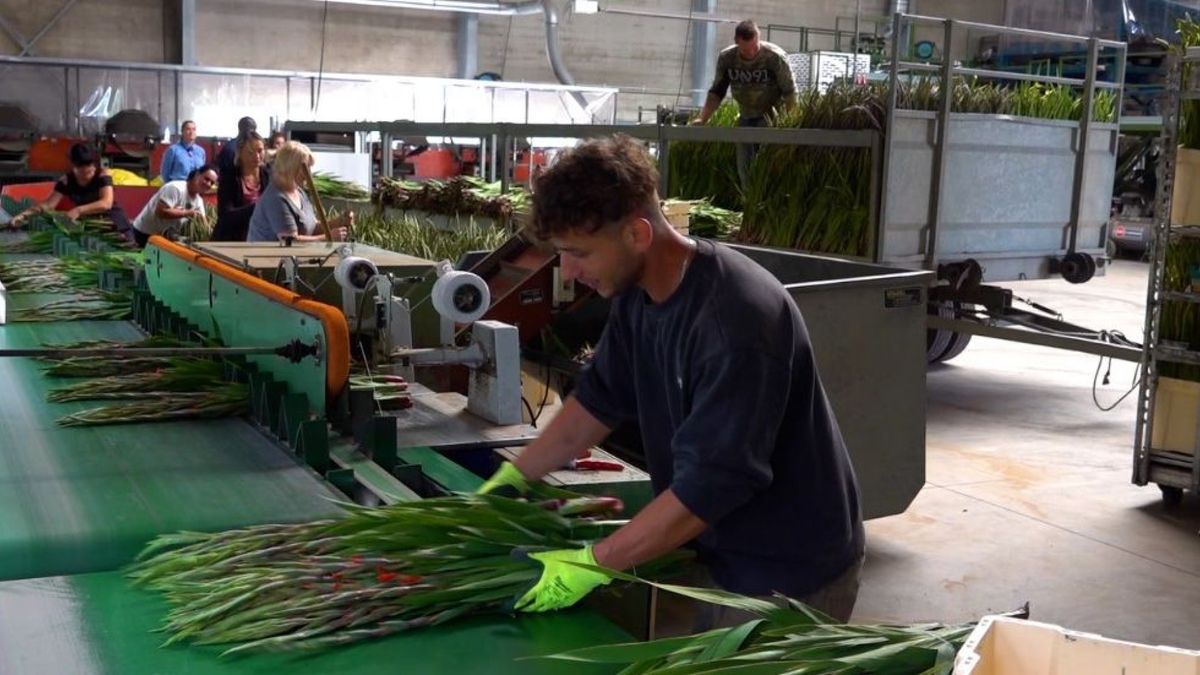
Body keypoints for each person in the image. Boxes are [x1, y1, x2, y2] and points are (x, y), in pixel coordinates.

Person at [477, 136, 864, 625]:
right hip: (717, 549)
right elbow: (596, 404)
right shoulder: (638, 295)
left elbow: (710, 487)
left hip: (787, 570)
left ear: (638, 234)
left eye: (578, 253)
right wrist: (515, 476)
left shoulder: (735, 322)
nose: (569, 271)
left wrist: (591, 564)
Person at [694, 20, 798, 186]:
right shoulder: (727, 58)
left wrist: (790, 124)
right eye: (745, 49)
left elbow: (790, 92)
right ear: (737, 41)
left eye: (754, 47)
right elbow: (717, 91)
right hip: (745, 115)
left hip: (771, 118)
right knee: (744, 167)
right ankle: (748, 202)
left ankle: (765, 201)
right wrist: (703, 118)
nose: (751, 53)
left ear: (759, 38)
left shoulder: (775, 57)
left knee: (767, 166)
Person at [9, 142, 131, 236]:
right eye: (81, 167)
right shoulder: (66, 181)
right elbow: (49, 205)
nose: (88, 171)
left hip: (116, 228)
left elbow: (106, 203)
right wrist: (24, 215)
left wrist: (78, 211)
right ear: (73, 166)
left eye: (90, 166)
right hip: (93, 230)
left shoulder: (103, 175)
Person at [246, 141, 350, 243]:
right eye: (305, 168)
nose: (309, 173)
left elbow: (311, 228)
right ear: (291, 168)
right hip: (268, 259)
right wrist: (328, 238)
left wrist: (338, 222)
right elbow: (290, 241)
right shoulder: (276, 198)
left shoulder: (299, 192)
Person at [130, 164, 216, 248]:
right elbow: (161, 212)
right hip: (144, 234)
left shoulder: (199, 201)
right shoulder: (176, 188)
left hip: (164, 238)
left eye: (212, 183)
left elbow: (203, 222)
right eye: (206, 179)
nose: (208, 184)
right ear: (197, 175)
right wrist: (188, 213)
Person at [212, 132, 269, 242]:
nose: (257, 156)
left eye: (260, 151)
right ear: (240, 153)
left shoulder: (269, 176)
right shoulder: (229, 177)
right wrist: (258, 207)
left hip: (262, 239)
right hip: (232, 240)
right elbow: (225, 216)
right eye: (250, 152)